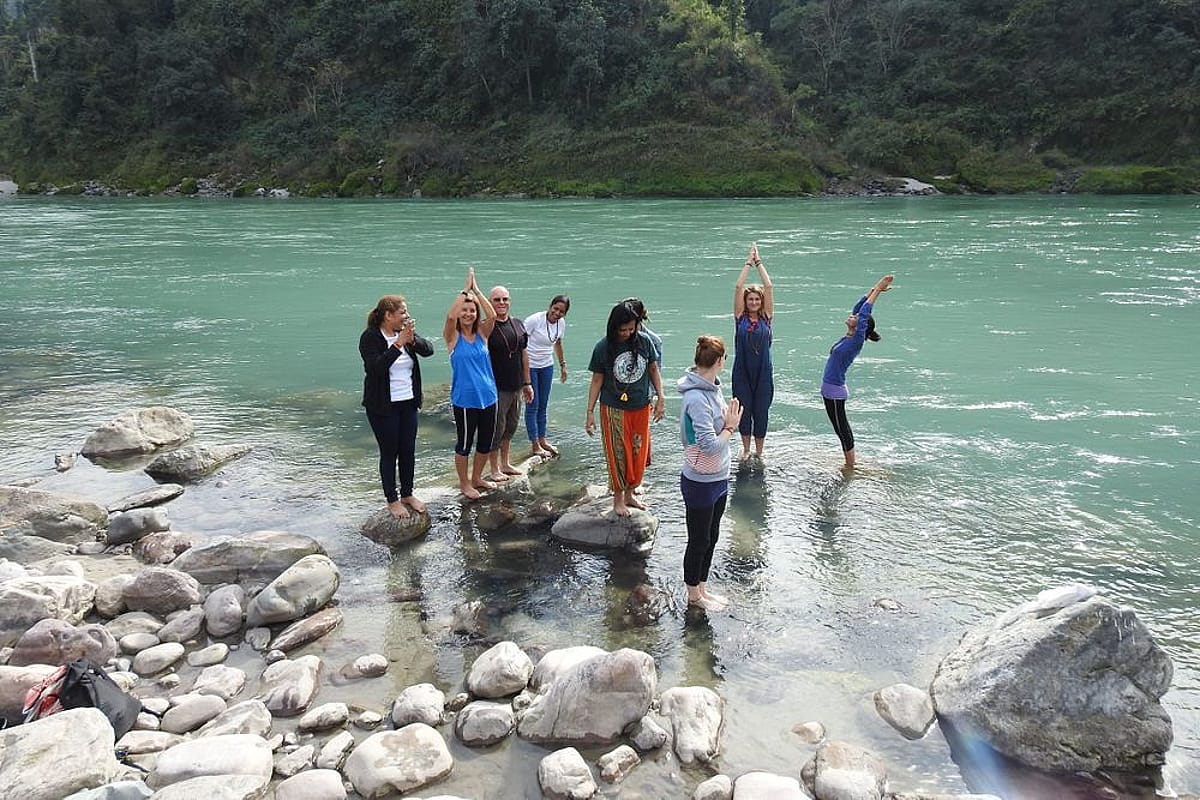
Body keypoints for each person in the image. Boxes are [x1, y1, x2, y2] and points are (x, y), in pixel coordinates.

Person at [678, 335, 743, 611]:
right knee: (699, 540)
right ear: (720, 361)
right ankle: (693, 596)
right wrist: (730, 427)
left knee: (712, 535)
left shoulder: (713, 388)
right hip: (700, 480)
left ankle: (702, 589)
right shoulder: (696, 398)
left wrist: (727, 423)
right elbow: (709, 444)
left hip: (718, 476)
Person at [585, 301, 665, 516]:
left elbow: (654, 370)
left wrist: (661, 397)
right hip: (613, 408)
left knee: (638, 452)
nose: (628, 334)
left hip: (640, 405)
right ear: (614, 327)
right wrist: (589, 412)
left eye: (631, 329)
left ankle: (630, 494)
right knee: (618, 453)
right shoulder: (603, 347)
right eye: (623, 330)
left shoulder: (645, 342)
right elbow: (596, 381)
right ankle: (618, 500)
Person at [359, 295, 434, 518]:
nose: (406, 316)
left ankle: (407, 493)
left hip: (408, 402)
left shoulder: (404, 333)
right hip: (383, 405)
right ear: (388, 315)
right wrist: (399, 344)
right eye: (402, 313)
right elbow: (375, 368)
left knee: (408, 449)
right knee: (389, 451)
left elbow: (429, 350)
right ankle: (392, 499)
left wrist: (412, 340)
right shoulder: (370, 337)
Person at [821, 274, 895, 469]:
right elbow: (859, 307)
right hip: (831, 391)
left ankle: (850, 464)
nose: (852, 315)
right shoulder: (849, 336)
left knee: (842, 429)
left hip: (835, 393)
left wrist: (878, 290)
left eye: (856, 317)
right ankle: (850, 460)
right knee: (840, 428)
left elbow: (864, 313)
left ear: (862, 325)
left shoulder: (856, 341)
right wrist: (872, 289)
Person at [444, 267, 499, 499]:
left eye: (472, 310)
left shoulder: (482, 334)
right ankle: (464, 483)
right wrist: (465, 290)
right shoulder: (453, 337)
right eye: (464, 310)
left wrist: (477, 291)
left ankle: (477, 478)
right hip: (465, 400)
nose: (468, 314)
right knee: (464, 443)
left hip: (489, 396)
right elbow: (450, 317)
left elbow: (493, 316)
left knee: (485, 442)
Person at [485, 285, 534, 481]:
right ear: (489, 303)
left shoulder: (518, 324)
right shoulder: (486, 327)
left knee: (511, 426)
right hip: (496, 386)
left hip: (516, 385)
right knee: (497, 427)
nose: (501, 303)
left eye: (505, 299)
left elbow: (524, 354)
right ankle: (494, 468)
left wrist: (527, 383)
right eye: (497, 300)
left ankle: (505, 463)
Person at [732, 242, 774, 462]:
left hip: (764, 372)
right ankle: (746, 450)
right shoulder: (740, 318)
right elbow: (738, 288)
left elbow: (769, 287)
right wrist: (748, 263)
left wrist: (760, 263)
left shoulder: (767, 317)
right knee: (743, 409)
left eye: (757, 299)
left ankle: (760, 451)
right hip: (742, 371)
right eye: (751, 300)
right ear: (746, 303)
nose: (754, 302)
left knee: (762, 411)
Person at [524, 295, 570, 457]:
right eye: (555, 308)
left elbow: (558, 343)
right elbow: (520, 342)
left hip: (546, 366)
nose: (557, 313)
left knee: (543, 405)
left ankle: (542, 440)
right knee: (532, 404)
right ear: (550, 306)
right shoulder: (534, 320)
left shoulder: (561, 324)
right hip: (530, 366)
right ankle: (534, 444)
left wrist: (563, 365)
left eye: (561, 312)